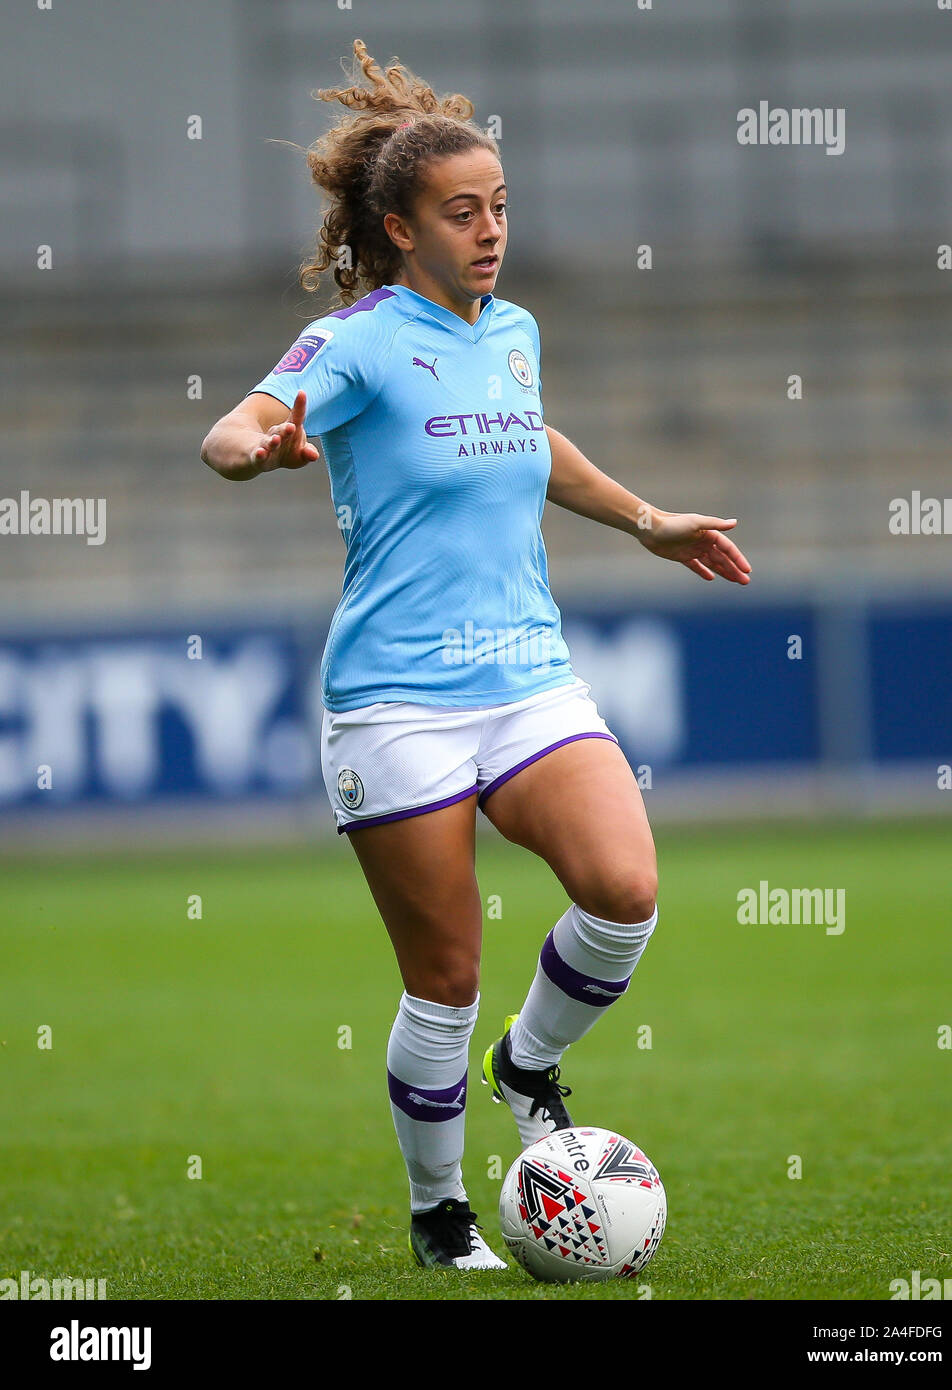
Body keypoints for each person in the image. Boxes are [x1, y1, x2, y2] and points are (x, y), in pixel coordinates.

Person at [201, 39, 750, 1272]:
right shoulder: (352, 342)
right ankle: (442, 1214)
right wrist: (255, 450)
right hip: (395, 702)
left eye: (499, 207)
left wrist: (648, 520)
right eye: (462, 213)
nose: (490, 230)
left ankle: (531, 1065)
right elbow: (234, 427)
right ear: (397, 228)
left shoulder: (512, 332)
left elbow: (530, 440)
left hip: (526, 677)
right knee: (442, 977)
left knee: (623, 888)